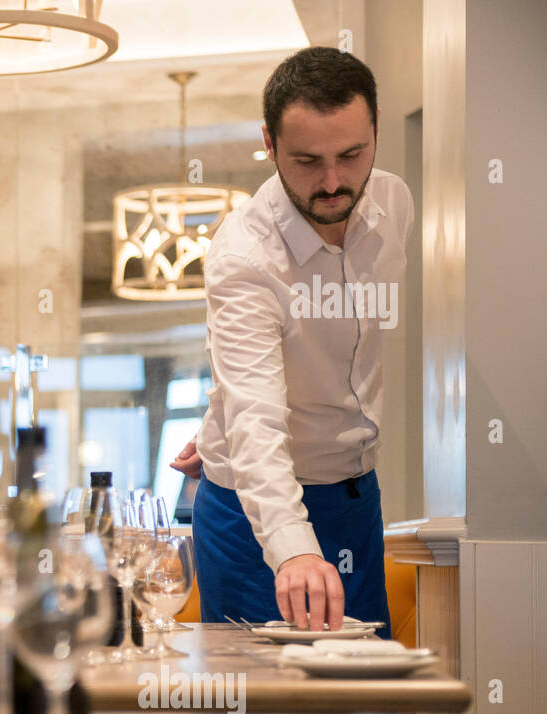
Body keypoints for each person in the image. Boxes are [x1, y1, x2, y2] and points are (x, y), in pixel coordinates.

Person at [170, 47, 413, 639]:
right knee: (260, 713)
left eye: (351, 155)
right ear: (270, 145)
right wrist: (291, 547)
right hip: (253, 515)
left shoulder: (394, 204)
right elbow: (255, 412)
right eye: (307, 161)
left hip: (356, 497)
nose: (333, 182)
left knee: (363, 708)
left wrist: (220, 410)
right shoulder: (244, 257)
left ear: (375, 130)